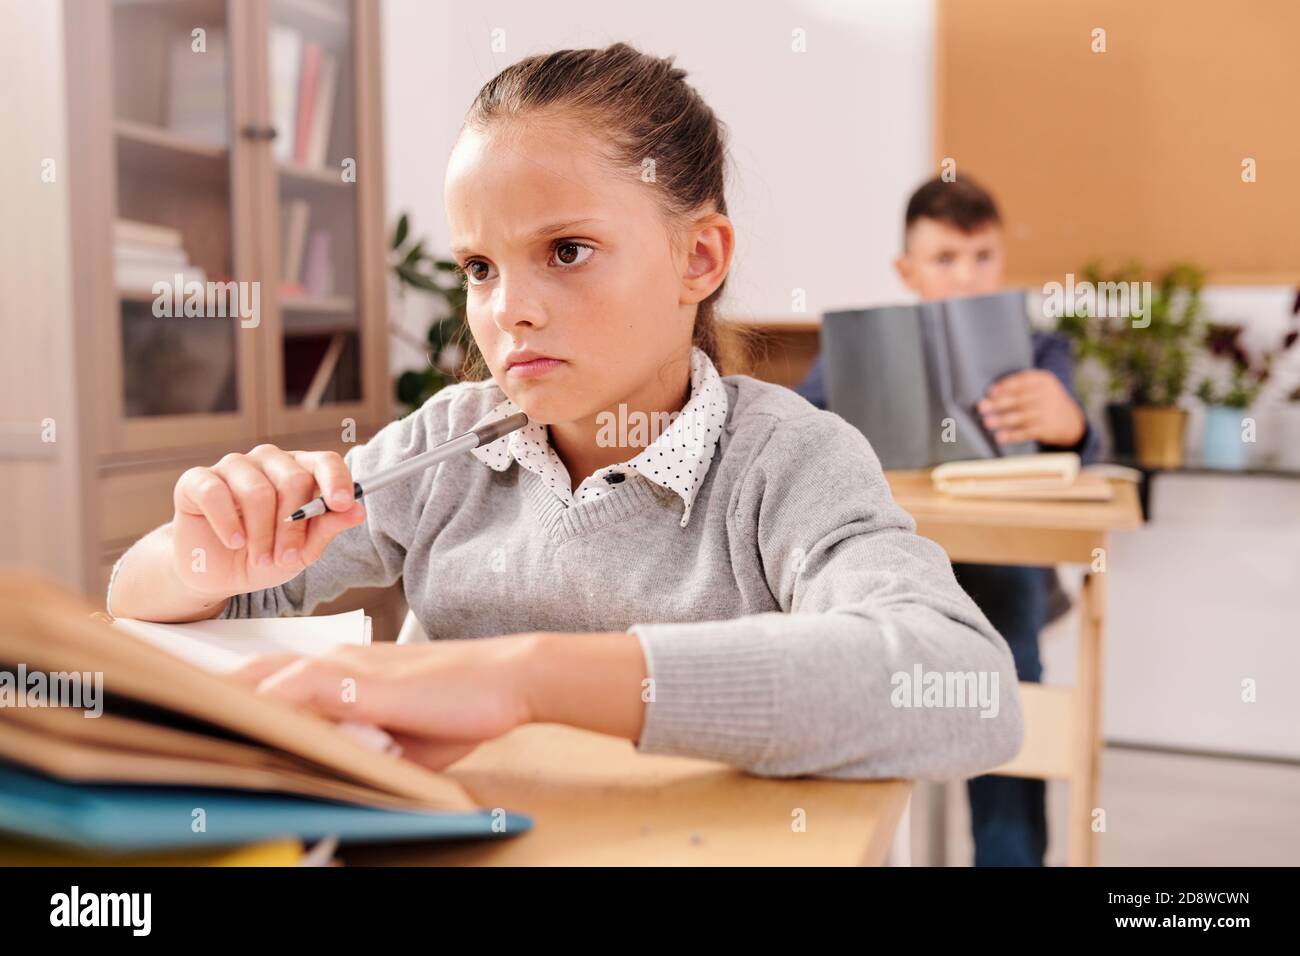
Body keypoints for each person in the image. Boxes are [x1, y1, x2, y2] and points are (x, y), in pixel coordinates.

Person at [107, 45, 1021, 784]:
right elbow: (158, 610)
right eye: (479, 268)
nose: (509, 310)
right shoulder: (446, 444)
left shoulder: (788, 461)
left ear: (699, 259)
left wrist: (524, 678)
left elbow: (961, 684)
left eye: (568, 250)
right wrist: (201, 552)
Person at [795, 175, 1098, 866]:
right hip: (894, 556)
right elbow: (797, 426)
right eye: (945, 259)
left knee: (1007, 670)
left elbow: (1085, 444)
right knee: (843, 644)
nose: (966, 276)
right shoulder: (862, 348)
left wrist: (1070, 424)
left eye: (982, 256)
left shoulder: (1040, 350)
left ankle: (1009, 857)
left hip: (1000, 565)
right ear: (907, 271)